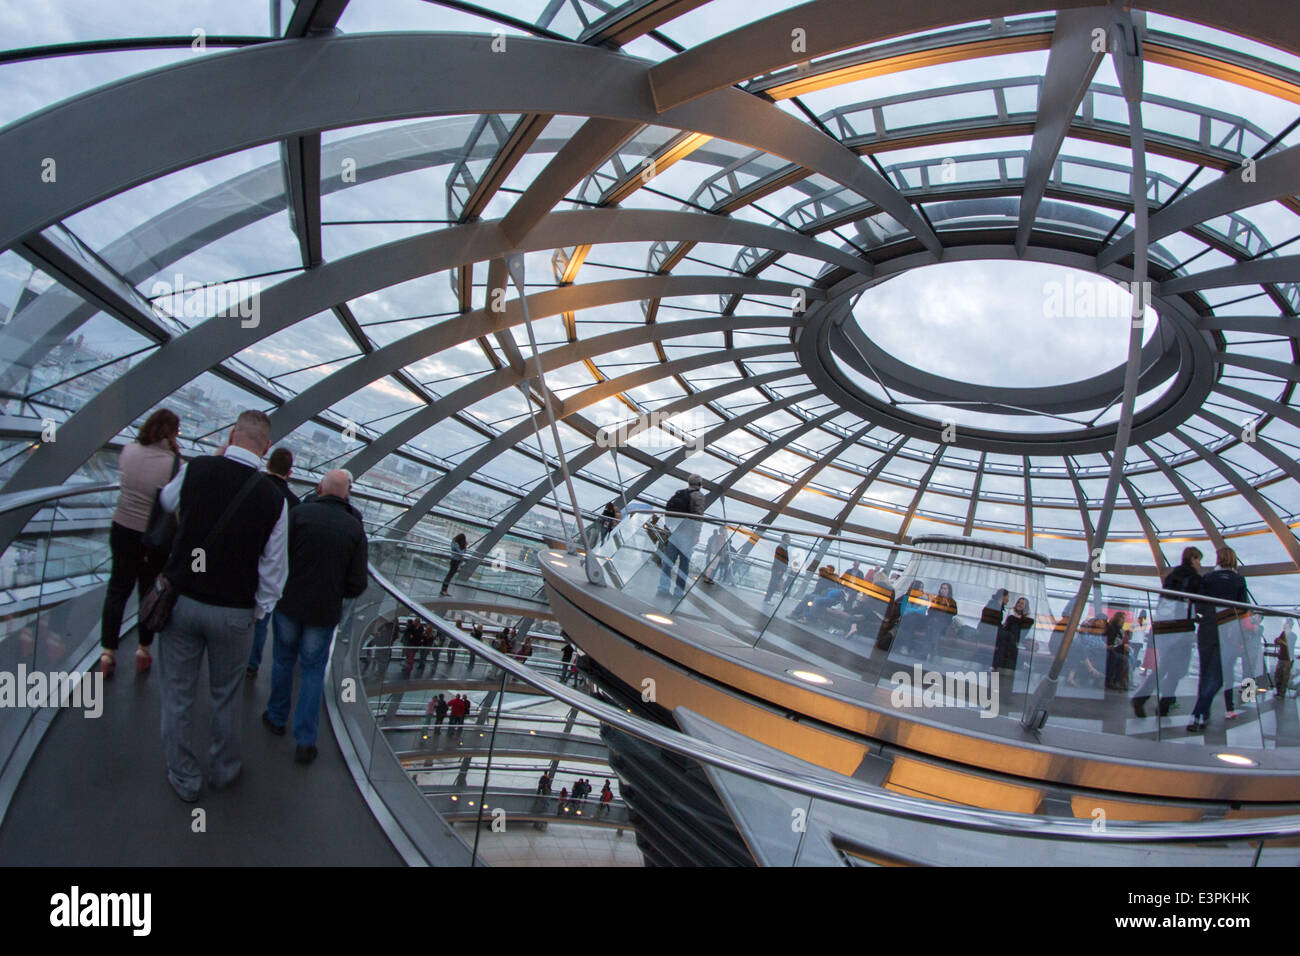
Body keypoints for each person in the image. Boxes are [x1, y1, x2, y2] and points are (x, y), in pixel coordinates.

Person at [154, 410, 289, 802]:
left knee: (178, 694)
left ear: (231, 435)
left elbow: (166, 501)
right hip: (234, 612)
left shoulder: (199, 469)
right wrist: (256, 612)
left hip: (181, 600)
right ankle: (223, 769)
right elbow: (273, 569)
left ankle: (184, 778)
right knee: (225, 695)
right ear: (266, 449)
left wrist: (211, 459)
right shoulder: (272, 498)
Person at [262, 469, 368, 763]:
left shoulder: (298, 515)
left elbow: (276, 556)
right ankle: (305, 741)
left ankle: (276, 717)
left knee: (283, 660)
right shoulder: (354, 529)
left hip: (290, 603)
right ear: (347, 495)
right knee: (312, 671)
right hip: (324, 611)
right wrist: (336, 592)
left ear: (320, 488)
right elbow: (358, 582)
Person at [99, 407, 182, 677]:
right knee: (148, 592)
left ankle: (108, 653)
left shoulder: (128, 451)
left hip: (121, 527)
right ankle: (143, 650)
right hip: (152, 537)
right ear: (171, 433)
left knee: (117, 589)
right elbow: (172, 504)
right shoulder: (173, 463)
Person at [247, 447, 303, 677]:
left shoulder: (252, 488)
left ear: (268, 464)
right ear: (289, 472)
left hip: (246, 562)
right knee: (262, 617)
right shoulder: (293, 503)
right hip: (274, 569)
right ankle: (252, 663)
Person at [1132, 547, 1203, 718]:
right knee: (1176, 670)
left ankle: (1147, 700)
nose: (1200, 563)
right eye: (1198, 559)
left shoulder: (1171, 576)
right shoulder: (1194, 578)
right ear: (1193, 558)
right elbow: (1198, 603)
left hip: (1164, 628)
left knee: (1164, 667)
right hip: (1182, 628)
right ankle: (1161, 705)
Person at [1188, 547, 1248, 733]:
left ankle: (1201, 715)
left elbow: (1198, 604)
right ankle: (1198, 713)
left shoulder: (1208, 579)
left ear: (1218, 559)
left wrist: (1203, 617)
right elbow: (1243, 609)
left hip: (1207, 630)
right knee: (1219, 676)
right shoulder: (1238, 581)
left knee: (1205, 674)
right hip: (1227, 632)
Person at [657, 475, 705, 598]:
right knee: (683, 565)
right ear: (699, 484)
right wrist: (696, 535)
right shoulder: (698, 496)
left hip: (675, 532)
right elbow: (698, 517)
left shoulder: (680, 493)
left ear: (688, 483)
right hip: (687, 534)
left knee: (668, 562)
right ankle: (678, 592)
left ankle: (663, 588)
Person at [993, 596, 1033, 675]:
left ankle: (995, 667)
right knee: (1004, 643)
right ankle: (997, 667)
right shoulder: (1010, 615)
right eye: (1018, 602)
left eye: (1022, 604)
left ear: (1025, 607)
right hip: (1007, 638)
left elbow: (1022, 634)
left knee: (1005, 644)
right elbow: (1005, 628)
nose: (1019, 604)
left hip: (1015, 640)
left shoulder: (1027, 620)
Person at [1104, 610, 1130, 691]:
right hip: (1109, 649)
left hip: (1114, 649)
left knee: (1126, 658)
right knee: (1119, 658)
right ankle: (1112, 680)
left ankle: (1121, 681)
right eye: (1123, 619)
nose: (1124, 621)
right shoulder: (1112, 627)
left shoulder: (1119, 629)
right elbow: (1110, 641)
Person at [765, 534, 791, 602]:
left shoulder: (783, 547)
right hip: (778, 570)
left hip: (779, 569)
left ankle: (768, 598)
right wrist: (780, 569)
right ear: (785, 539)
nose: (790, 540)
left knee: (774, 584)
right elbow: (778, 559)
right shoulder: (781, 547)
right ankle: (767, 598)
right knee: (773, 584)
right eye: (788, 538)